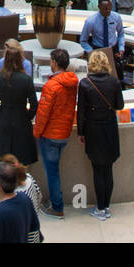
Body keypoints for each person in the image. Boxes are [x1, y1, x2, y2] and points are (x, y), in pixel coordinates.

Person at [32, 48, 78, 219]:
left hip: (50, 135)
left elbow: (43, 114)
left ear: (55, 63)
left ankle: (57, 207)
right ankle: (55, 203)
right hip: (64, 133)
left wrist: (36, 133)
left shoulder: (51, 86)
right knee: (54, 170)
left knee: (52, 172)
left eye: (51, 61)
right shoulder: (72, 82)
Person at [78, 50, 124, 221]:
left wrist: (81, 132)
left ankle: (100, 207)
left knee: (97, 169)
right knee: (108, 169)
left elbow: (81, 111)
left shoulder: (85, 83)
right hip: (110, 128)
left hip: (93, 130)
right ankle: (107, 206)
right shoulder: (114, 82)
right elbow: (120, 104)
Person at [78, 0, 126, 67]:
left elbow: (121, 34)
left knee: (117, 76)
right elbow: (83, 41)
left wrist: (121, 48)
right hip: (98, 50)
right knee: (99, 75)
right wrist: (91, 52)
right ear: (99, 7)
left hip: (113, 50)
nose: (108, 10)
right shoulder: (90, 21)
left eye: (110, 7)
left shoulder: (116, 17)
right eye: (105, 8)